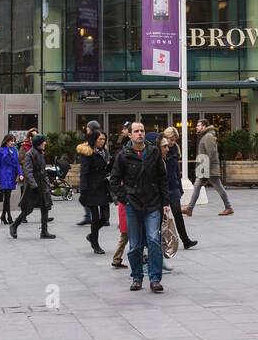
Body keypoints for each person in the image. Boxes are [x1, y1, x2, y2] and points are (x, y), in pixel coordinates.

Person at [109, 122, 169, 293]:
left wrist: (165, 203)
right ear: (130, 135)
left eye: (142, 130)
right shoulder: (123, 155)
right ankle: (137, 276)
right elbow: (114, 180)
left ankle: (155, 278)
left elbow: (162, 178)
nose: (140, 134)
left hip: (152, 203)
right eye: (136, 131)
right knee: (135, 245)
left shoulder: (154, 152)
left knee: (153, 240)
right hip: (133, 204)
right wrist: (124, 198)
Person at [183, 120, 234, 217]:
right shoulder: (205, 136)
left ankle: (229, 207)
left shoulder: (208, 136)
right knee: (197, 186)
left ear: (204, 126)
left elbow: (211, 153)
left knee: (219, 188)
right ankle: (189, 209)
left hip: (209, 169)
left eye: (198, 125)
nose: (196, 127)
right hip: (206, 167)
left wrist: (206, 168)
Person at [159, 127, 197, 250]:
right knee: (161, 217)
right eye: (171, 139)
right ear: (165, 137)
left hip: (174, 185)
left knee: (177, 214)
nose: (172, 142)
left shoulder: (175, 149)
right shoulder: (159, 149)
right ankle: (160, 241)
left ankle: (185, 240)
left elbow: (176, 170)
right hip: (163, 186)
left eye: (174, 140)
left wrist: (180, 188)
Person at [11, 133, 54, 239]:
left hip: (42, 184)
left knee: (45, 207)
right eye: (43, 141)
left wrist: (47, 183)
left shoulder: (40, 153)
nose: (45, 143)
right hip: (33, 186)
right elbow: (28, 171)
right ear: (38, 143)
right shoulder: (29, 154)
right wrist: (34, 186)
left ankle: (44, 232)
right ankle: (14, 225)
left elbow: (43, 171)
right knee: (27, 209)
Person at [78, 130, 112, 254]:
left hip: (102, 187)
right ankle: (95, 243)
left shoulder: (104, 152)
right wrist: (83, 191)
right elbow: (84, 173)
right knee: (95, 217)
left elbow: (104, 169)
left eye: (104, 139)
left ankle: (92, 235)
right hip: (92, 188)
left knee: (105, 217)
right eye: (100, 139)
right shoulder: (88, 153)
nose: (102, 142)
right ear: (94, 140)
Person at [0, 134, 23, 226]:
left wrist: (20, 173)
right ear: (6, 141)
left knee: (7, 197)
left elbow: (17, 163)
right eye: (11, 141)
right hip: (3, 176)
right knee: (6, 198)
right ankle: (8, 217)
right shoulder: (0, 150)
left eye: (14, 141)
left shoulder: (14, 150)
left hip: (11, 176)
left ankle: (3, 216)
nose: (13, 143)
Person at [77, 119, 101, 226]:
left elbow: (86, 165)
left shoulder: (89, 145)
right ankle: (89, 216)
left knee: (88, 197)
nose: (86, 129)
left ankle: (92, 217)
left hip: (90, 176)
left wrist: (83, 179)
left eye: (87, 128)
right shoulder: (98, 141)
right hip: (94, 176)